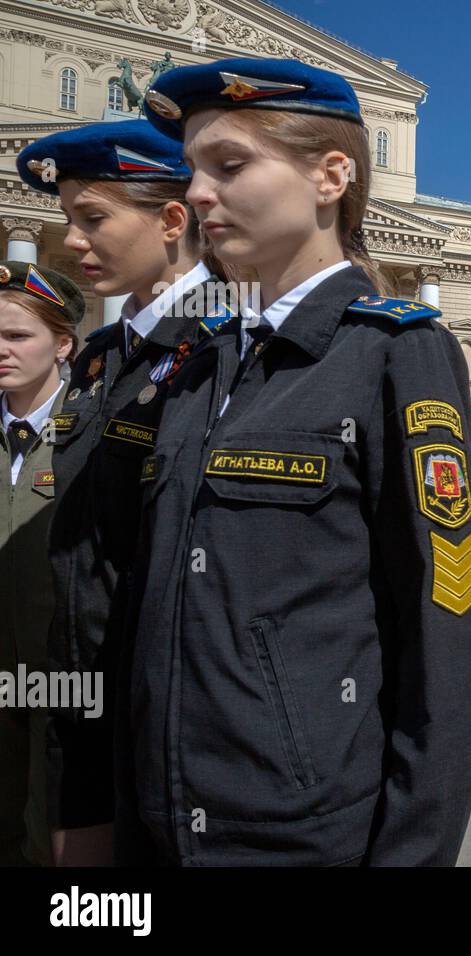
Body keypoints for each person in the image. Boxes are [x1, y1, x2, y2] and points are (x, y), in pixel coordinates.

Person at [122, 56, 471, 865]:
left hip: (294, 830)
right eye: (192, 171)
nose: (196, 195)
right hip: (158, 814)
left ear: (331, 176)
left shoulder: (394, 350)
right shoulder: (197, 361)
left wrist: (412, 852)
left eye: (230, 165)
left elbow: (442, 632)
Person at [17, 119, 221, 866]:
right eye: (68, 220)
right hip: (79, 692)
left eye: (92, 218)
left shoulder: (227, 344)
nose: (72, 241)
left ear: (172, 220)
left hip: (169, 706)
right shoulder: (103, 354)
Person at [0, 263, 82, 866]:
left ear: (62, 345)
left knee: (50, 832)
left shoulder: (94, 435)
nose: (0, 352)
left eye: (17, 337)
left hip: (63, 678)